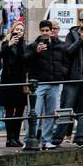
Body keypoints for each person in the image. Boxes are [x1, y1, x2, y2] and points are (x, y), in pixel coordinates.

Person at [24, 18, 69, 148]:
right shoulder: (33, 45)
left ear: (51, 31)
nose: (45, 32)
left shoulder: (59, 46)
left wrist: (62, 72)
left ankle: (46, 140)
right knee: (34, 113)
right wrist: (36, 52)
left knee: (50, 113)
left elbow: (65, 61)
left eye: (47, 30)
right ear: (40, 30)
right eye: (42, 30)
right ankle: (29, 139)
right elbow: (25, 61)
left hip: (54, 83)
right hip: (38, 83)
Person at [57, 10, 83, 146]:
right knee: (67, 107)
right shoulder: (71, 35)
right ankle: (58, 137)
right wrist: (79, 41)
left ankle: (80, 137)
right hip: (73, 77)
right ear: (79, 22)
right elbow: (68, 52)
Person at [0, 19, 29, 147]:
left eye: (21, 30)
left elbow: (27, 61)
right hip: (8, 79)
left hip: (20, 80)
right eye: (17, 29)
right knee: (10, 110)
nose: (19, 32)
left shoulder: (24, 45)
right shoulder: (6, 43)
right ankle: (9, 138)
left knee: (20, 110)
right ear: (12, 30)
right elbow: (1, 56)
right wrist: (10, 44)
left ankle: (16, 137)